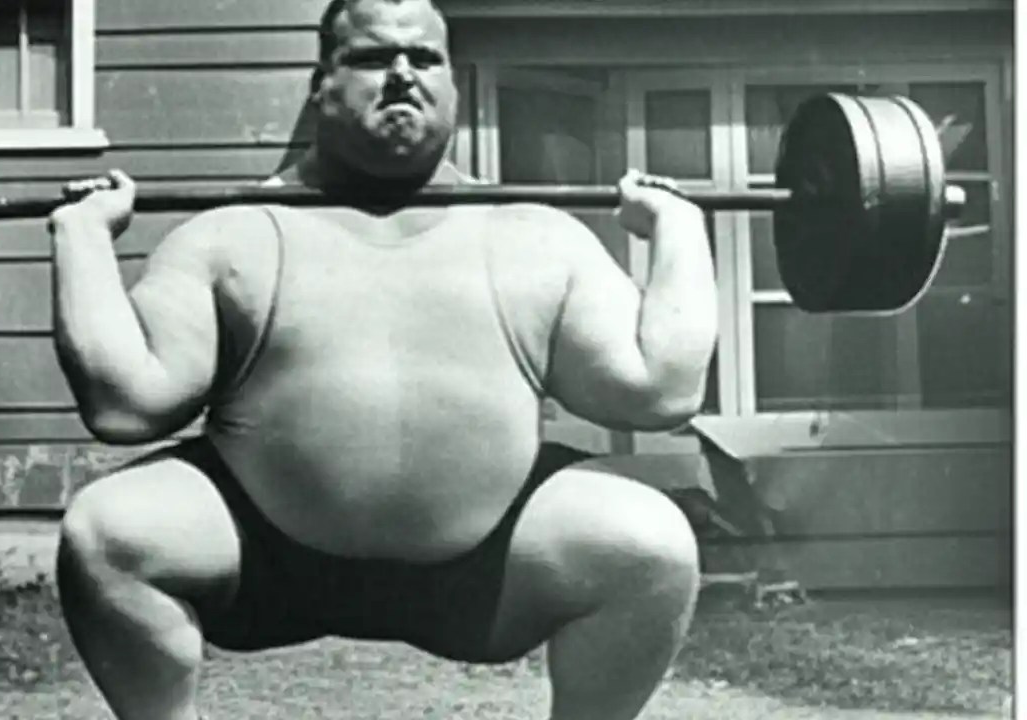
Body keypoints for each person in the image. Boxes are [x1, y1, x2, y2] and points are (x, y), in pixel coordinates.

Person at [47, 0, 717, 718]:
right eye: (371, 58)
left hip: (486, 570)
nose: (401, 75)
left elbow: (659, 392)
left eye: (423, 58)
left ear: (452, 85)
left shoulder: (535, 237)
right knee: (108, 533)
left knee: (651, 545)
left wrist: (679, 228)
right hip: (265, 561)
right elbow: (124, 404)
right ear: (320, 84)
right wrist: (80, 236)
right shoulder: (233, 235)